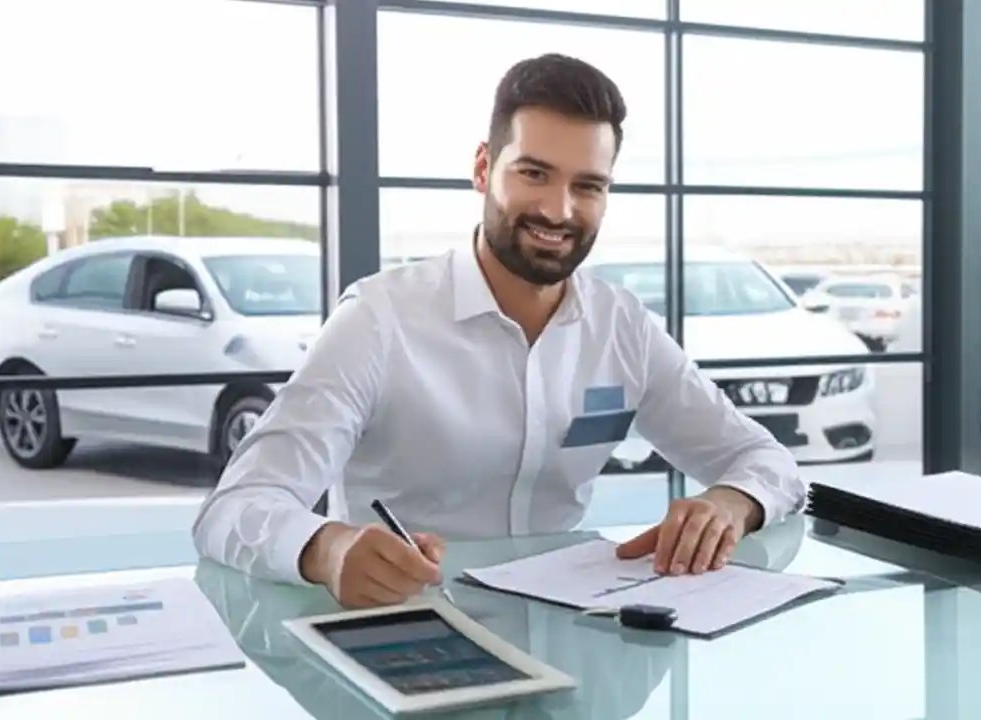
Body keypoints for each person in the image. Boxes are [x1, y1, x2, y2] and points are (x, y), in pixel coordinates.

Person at [191, 53, 804, 609]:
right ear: (484, 169)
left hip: (579, 647)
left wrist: (731, 504)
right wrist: (325, 550)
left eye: (587, 186)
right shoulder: (380, 321)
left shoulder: (624, 329)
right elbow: (236, 507)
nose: (559, 211)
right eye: (534, 174)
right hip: (406, 635)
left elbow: (767, 462)